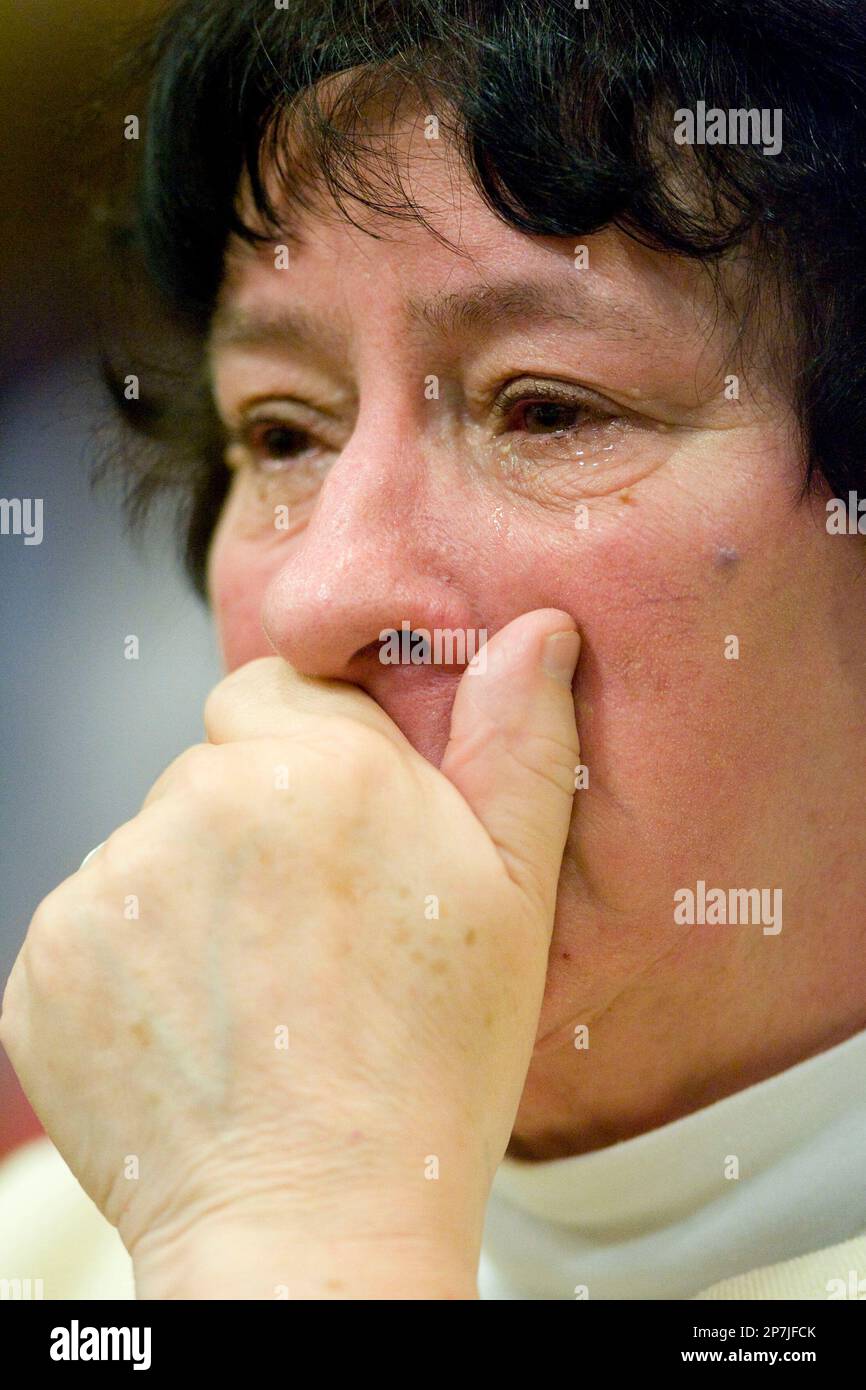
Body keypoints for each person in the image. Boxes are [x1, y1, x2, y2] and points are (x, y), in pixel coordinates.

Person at [1, 0, 865, 1300]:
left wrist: (294, 1243)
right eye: (285, 433)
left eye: (548, 409)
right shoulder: (60, 1241)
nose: (324, 597)